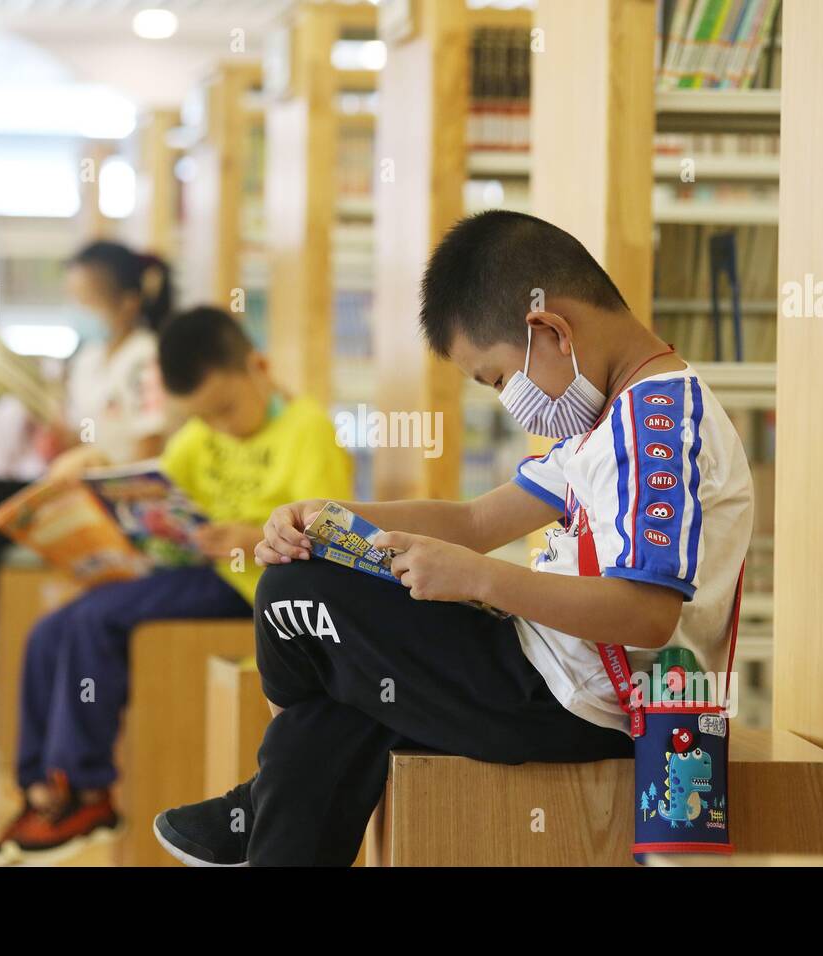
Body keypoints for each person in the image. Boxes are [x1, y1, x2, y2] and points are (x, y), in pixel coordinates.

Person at [152, 210, 754, 866]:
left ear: (549, 330)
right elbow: (474, 522)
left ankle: (264, 801)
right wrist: (330, 515)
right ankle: (267, 808)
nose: (510, 402)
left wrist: (477, 578)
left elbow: (648, 615)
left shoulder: (657, 429)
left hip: (583, 704)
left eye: (498, 380)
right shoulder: (606, 419)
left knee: (294, 594)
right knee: (330, 620)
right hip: (545, 671)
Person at [0, 306, 353, 865]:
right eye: (205, 416)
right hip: (196, 572)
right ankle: (41, 789)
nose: (220, 426)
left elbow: (330, 536)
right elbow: (160, 488)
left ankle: (88, 791)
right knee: (53, 627)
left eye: (225, 408)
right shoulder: (199, 434)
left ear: (260, 367)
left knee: (93, 619)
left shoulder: (307, 428)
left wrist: (251, 536)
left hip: (253, 588)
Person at [0, 241, 177, 763]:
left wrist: (87, 458)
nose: (77, 312)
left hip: (112, 501)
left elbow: (146, 455)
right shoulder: (88, 359)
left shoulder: (148, 359)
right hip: (74, 486)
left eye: (84, 299)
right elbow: (74, 438)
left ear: (126, 302)